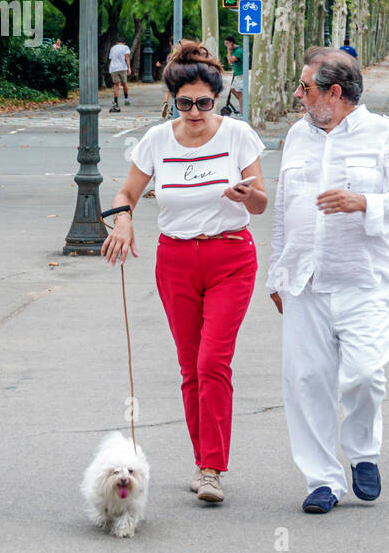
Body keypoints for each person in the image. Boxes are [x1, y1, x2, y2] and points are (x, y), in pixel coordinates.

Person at [102, 43, 267, 506]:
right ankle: (201, 459)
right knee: (190, 367)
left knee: (213, 362)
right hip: (175, 262)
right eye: (186, 103)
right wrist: (124, 220)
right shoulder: (156, 140)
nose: (195, 112)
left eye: (205, 103)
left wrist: (245, 197)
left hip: (231, 257)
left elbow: (261, 201)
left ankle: (211, 468)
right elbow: (127, 191)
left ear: (219, 98)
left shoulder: (238, 136)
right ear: (172, 99)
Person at [266, 47, 389, 513]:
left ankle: (363, 452)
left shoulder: (384, 135)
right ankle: (322, 479)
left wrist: (364, 205)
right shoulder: (297, 135)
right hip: (305, 282)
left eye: (305, 87)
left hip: (364, 280)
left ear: (334, 93)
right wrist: (277, 272)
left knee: (366, 376)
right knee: (307, 380)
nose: (297, 94)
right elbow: (283, 209)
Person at [107, 36, 131, 112]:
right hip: (122, 68)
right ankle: (126, 99)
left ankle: (116, 102)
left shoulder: (112, 48)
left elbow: (111, 58)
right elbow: (127, 57)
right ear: (124, 42)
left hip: (113, 68)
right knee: (124, 84)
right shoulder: (125, 47)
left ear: (117, 42)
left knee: (116, 85)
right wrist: (129, 68)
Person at [223, 36, 245, 116]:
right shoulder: (235, 50)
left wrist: (228, 50)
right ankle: (244, 104)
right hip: (237, 74)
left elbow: (230, 60)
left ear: (231, 43)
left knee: (240, 93)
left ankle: (243, 112)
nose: (226, 45)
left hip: (241, 74)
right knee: (232, 89)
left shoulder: (238, 51)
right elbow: (230, 62)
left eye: (227, 43)